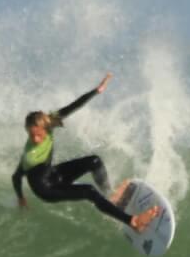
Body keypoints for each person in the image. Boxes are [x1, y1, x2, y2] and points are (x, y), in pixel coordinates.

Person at [11, 72, 162, 234]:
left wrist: (97, 90)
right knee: (89, 191)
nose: (35, 138)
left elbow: (74, 106)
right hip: (46, 189)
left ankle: (110, 195)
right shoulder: (29, 156)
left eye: (38, 134)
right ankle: (133, 222)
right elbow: (16, 176)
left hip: (53, 174)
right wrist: (21, 197)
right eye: (31, 134)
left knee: (94, 161)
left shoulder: (49, 121)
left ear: (45, 127)